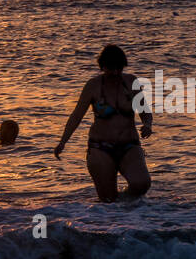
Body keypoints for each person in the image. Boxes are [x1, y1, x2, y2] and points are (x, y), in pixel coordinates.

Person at [54, 44, 152, 201]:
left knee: (142, 184)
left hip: (129, 145)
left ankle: (131, 211)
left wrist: (147, 125)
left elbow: (145, 112)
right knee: (108, 201)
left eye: (118, 69)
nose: (115, 73)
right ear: (103, 67)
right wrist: (62, 142)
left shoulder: (131, 82)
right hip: (100, 148)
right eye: (110, 69)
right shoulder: (93, 86)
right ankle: (110, 218)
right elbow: (76, 116)